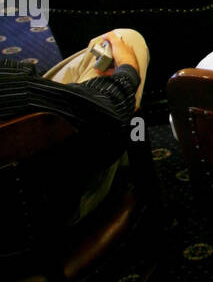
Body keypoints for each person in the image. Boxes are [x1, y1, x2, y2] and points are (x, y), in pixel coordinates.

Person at [0, 29, 149, 220]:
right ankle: (127, 184)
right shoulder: (16, 90)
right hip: (47, 213)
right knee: (127, 41)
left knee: (107, 46)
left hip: (32, 96)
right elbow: (110, 107)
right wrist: (128, 68)